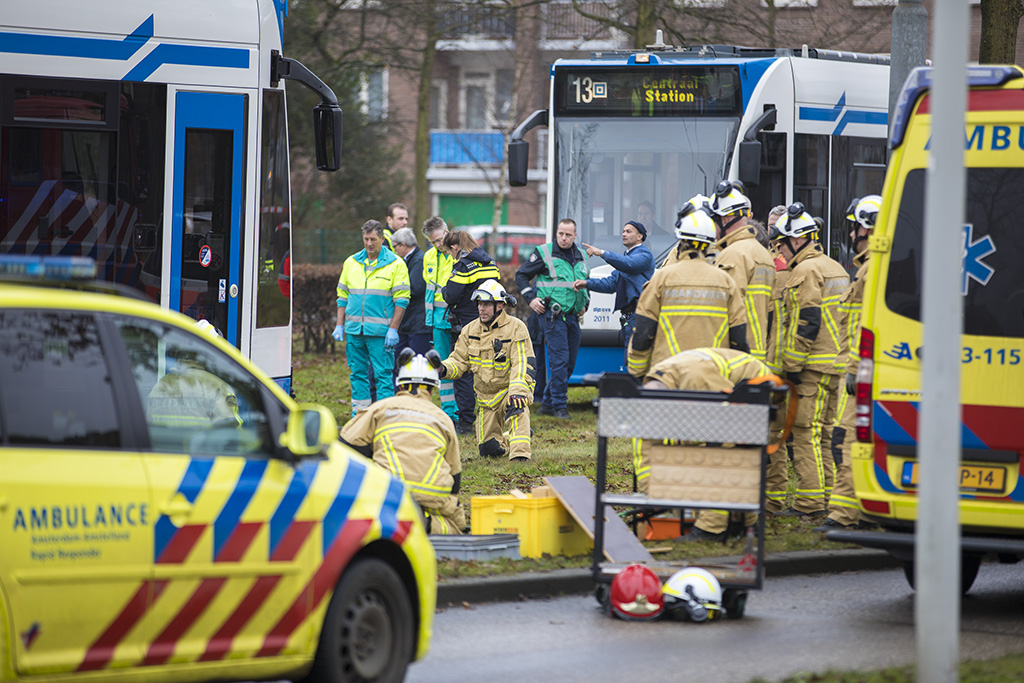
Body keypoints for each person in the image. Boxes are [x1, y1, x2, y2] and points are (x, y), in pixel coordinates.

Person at [638, 348, 791, 542]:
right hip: (723, 384)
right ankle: (743, 522)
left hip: (755, 384)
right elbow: (649, 447)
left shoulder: (697, 380)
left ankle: (713, 529)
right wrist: (652, 494)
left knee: (721, 455)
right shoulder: (653, 389)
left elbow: (722, 436)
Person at [770, 202, 850, 518]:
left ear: (798, 240)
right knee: (826, 433)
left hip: (811, 367)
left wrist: (791, 368)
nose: (780, 250)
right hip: (836, 365)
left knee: (805, 434)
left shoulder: (804, 270)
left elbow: (806, 322)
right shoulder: (835, 267)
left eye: (782, 243)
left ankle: (811, 503)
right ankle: (830, 499)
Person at [813, 195, 882, 533]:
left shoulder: (872, 271)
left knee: (847, 440)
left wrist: (855, 368)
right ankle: (865, 513)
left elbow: (866, 327)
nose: (852, 233)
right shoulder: (867, 267)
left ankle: (843, 516)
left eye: (856, 226)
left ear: (866, 228)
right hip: (856, 369)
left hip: (860, 372)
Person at [340, 349, 465, 534]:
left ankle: (401, 523)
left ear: (400, 386)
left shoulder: (381, 408)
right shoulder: (443, 419)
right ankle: (430, 526)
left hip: (389, 491)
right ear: (432, 389)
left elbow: (346, 444)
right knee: (455, 523)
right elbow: (455, 475)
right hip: (432, 495)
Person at [627, 204, 748, 379]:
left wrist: (638, 375)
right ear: (708, 244)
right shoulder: (726, 282)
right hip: (713, 377)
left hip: (668, 377)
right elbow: (739, 338)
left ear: (680, 241)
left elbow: (643, 333)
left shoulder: (661, 279)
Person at [440, 280, 536, 461]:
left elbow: (522, 364)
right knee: (489, 450)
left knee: (517, 405)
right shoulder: (469, 330)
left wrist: (517, 391)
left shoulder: (516, 327)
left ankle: (520, 454)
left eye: (486, 304)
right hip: (486, 399)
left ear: (500, 305)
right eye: (479, 304)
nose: (481, 309)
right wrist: (442, 368)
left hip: (509, 390)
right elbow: (459, 361)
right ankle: (513, 437)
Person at [333, 220, 410, 415]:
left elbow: (402, 301)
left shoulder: (395, 264)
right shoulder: (351, 262)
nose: (369, 243)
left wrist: (393, 329)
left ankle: (383, 419)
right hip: (354, 331)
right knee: (357, 374)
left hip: (381, 332)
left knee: (383, 376)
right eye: (366, 239)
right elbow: (342, 296)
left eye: (373, 239)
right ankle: (360, 417)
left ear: (382, 239)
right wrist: (339, 324)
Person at [516, 218, 589, 419]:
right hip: (552, 316)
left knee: (570, 363)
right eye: (560, 234)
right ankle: (559, 406)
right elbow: (521, 275)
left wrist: (585, 303)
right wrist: (531, 299)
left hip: (573, 317)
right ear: (556, 233)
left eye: (568, 235)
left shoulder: (581, 255)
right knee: (559, 361)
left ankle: (547, 403)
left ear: (575, 236)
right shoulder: (544, 252)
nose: (563, 238)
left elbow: (584, 283)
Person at [708, 181, 776, 362]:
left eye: (713, 222)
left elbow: (723, 310)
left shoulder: (732, 254)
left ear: (724, 220)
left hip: (734, 356)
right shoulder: (763, 253)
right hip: (757, 353)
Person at [441, 230, 501, 433]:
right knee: (491, 370)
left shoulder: (463, 265)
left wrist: (444, 289)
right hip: (489, 322)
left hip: (465, 325)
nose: (451, 255)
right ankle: (493, 417)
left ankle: (466, 422)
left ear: (455, 247)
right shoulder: (490, 263)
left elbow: (451, 295)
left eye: (449, 252)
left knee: (463, 371)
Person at [576, 220, 655, 369]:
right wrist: (586, 283)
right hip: (629, 317)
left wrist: (602, 253)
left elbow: (628, 265)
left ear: (640, 236)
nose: (624, 234)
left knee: (636, 361)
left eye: (629, 231)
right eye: (623, 231)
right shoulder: (625, 258)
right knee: (630, 360)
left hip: (640, 315)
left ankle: (639, 391)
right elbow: (611, 284)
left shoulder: (644, 255)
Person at [148, 320, 241, 429]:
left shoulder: (162, 385)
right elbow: (230, 431)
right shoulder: (217, 386)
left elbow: (148, 426)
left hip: (166, 445)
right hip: (200, 446)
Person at [763, 203, 791, 513]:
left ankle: (776, 496)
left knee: (777, 431)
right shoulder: (771, 260)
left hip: (776, 359)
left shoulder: (783, 268)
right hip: (773, 357)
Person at [421, 217, 458, 422]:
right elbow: (430, 290)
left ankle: (463, 410)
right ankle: (448, 411)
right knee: (442, 365)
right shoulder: (429, 257)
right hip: (437, 320)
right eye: (432, 241)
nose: (437, 245)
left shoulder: (461, 253)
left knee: (463, 364)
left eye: (438, 240)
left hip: (457, 320)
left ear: (447, 231)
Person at [391, 227, 431, 356]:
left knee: (417, 363)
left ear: (403, 245)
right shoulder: (409, 260)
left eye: (395, 247)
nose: (395, 251)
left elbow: (415, 288)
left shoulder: (419, 260)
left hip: (417, 324)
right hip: (409, 322)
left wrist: (394, 291)